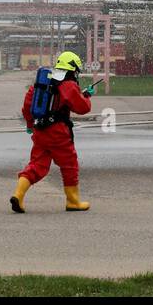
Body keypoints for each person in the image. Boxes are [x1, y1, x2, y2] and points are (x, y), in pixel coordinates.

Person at [11, 51, 94, 213]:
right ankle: (73, 201)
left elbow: (27, 105)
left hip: (40, 131)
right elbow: (82, 108)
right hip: (58, 133)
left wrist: (30, 125)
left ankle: (18, 195)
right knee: (69, 165)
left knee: (37, 164)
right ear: (73, 68)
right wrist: (87, 97)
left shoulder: (43, 81)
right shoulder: (68, 84)